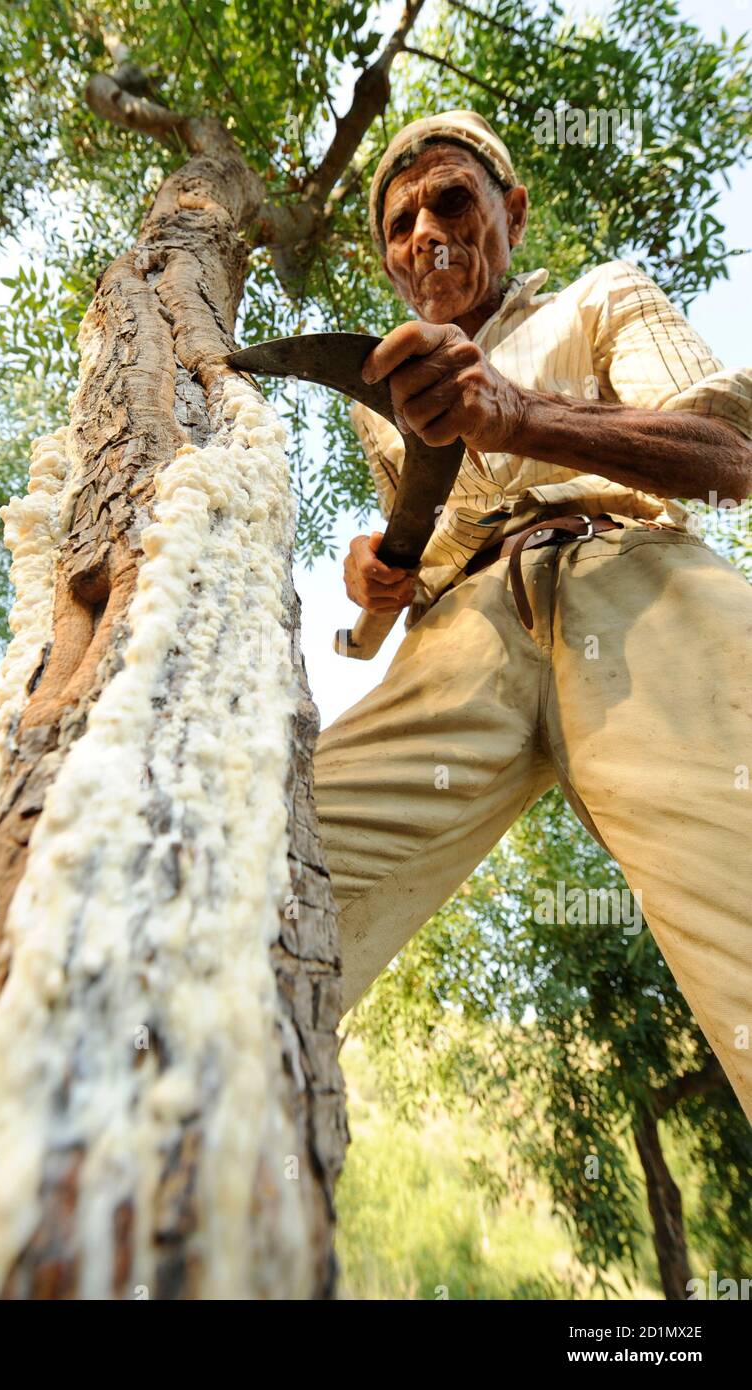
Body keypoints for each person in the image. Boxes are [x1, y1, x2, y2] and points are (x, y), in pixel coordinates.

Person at [311, 111, 752, 1125]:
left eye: (451, 200)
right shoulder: (385, 404)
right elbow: (417, 552)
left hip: (640, 586)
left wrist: (522, 416)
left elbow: (728, 455)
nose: (425, 231)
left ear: (508, 211)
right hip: (458, 643)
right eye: (400, 221)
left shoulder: (606, 296)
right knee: (277, 875)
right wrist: (381, 576)